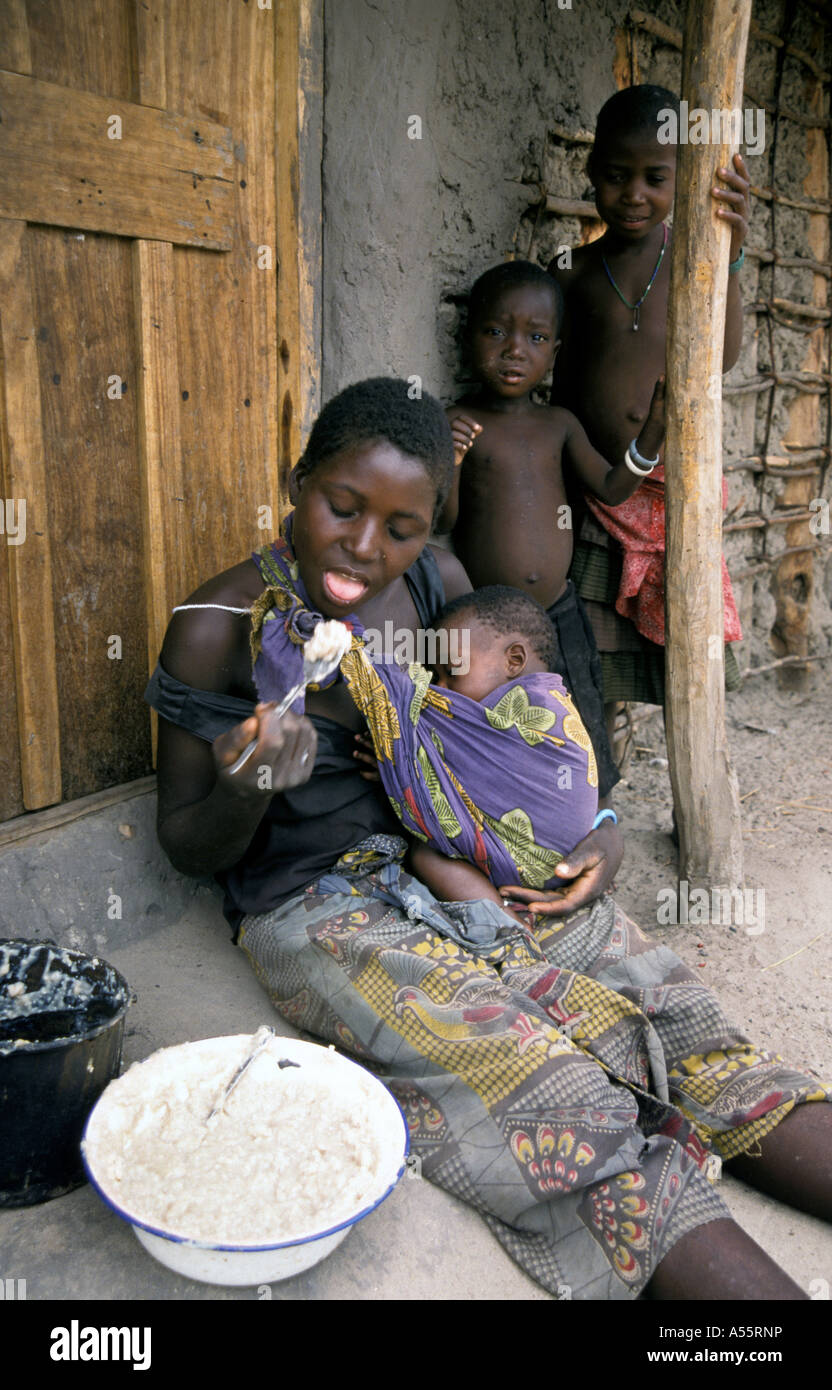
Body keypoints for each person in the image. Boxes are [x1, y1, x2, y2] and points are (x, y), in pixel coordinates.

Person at [148, 376, 830, 1301]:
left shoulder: (431, 590)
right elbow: (189, 845)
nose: (363, 547)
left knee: (681, 1019)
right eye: (342, 507)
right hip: (318, 906)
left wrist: (603, 831)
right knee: (553, 1094)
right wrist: (254, 781)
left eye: (402, 526)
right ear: (298, 480)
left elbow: (523, 725)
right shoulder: (216, 630)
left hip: (470, 852)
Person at [549, 84, 749, 761]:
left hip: (669, 494)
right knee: (592, 651)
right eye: (615, 175)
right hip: (602, 492)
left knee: (681, 654)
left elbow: (721, 355)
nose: (633, 192)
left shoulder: (696, 263)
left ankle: (695, 780)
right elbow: (559, 385)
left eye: (655, 177)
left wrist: (733, 249)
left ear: (680, 180)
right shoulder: (575, 273)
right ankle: (592, 780)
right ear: (591, 173)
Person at [435, 258, 665, 803]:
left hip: (559, 609)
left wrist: (651, 435)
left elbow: (611, 488)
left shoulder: (558, 424)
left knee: (579, 704)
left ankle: (594, 813)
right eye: (495, 331)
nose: (514, 349)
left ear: (554, 353)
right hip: (490, 615)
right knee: (496, 718)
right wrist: (453, 461)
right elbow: (444, 523)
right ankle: (509, 814)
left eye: (535, 337)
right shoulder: (460, 422)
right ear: (468, 337)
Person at [341, 584, 599, 908]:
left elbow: (465, 768)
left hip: (530, 861)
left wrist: (403, 759)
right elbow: (474, 777)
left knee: (425, 855)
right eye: (435, 677)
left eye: (451, 671)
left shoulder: (534, 710)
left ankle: (504, 923)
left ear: (514, 660)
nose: (441, 690)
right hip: (562, 865)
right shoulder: (554, 707)